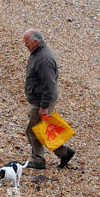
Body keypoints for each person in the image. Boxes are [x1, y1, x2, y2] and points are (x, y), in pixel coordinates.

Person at [23, 29, 75, 169]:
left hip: (42, 101)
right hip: (39, 100)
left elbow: (49, 85)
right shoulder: (38, 53)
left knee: (34, 130)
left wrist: (44, 106)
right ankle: (64, 153)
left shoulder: (43, 58)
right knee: (41, 129)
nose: (25, 45)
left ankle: (39, 160)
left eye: (27, 42)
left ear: (36, 41)